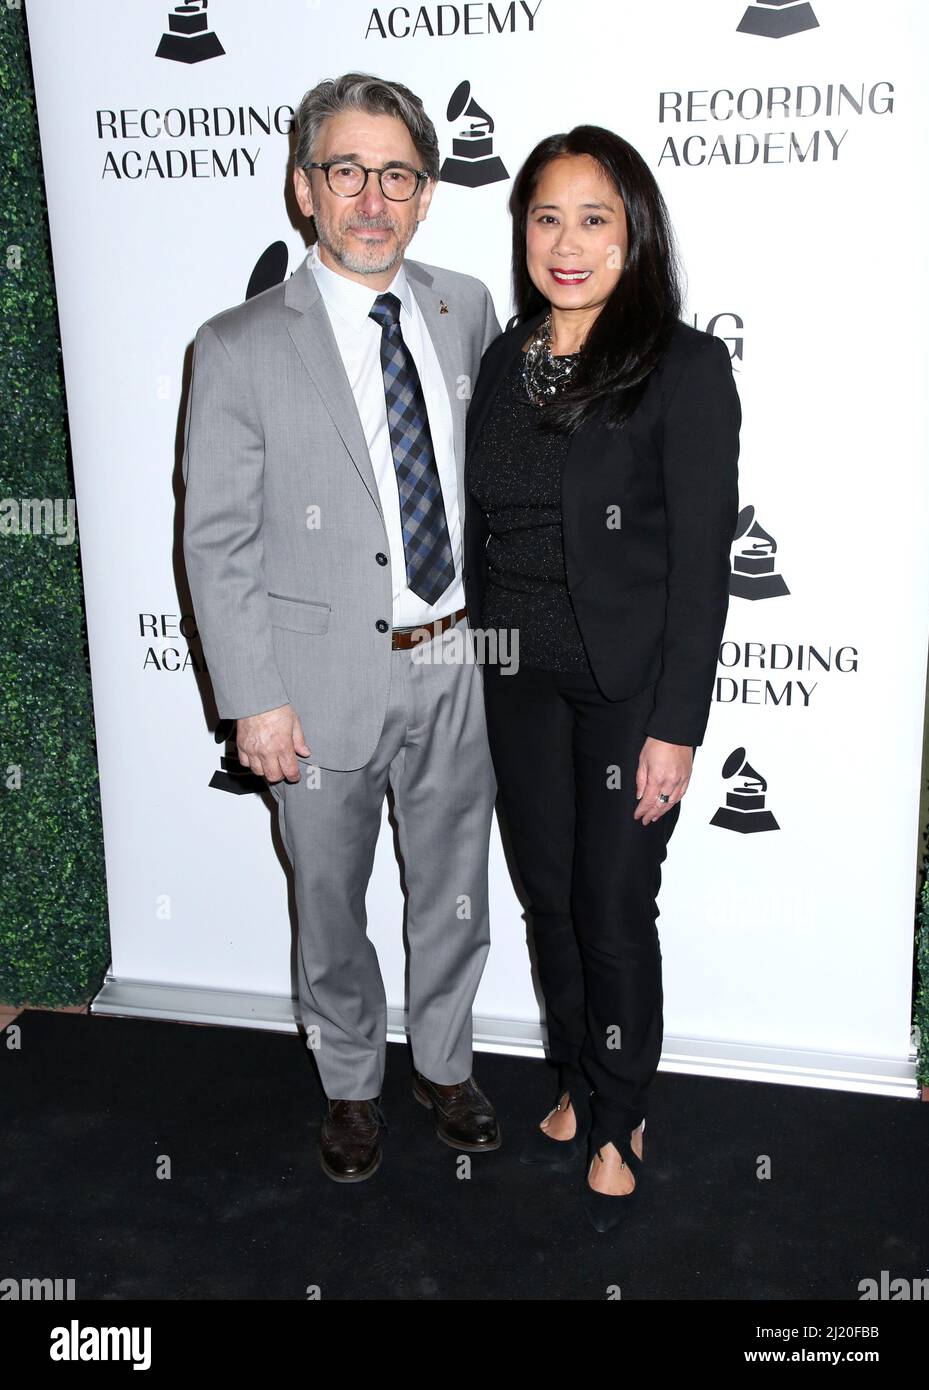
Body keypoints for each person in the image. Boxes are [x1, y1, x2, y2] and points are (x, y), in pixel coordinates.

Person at [183, 72, 503, 1184]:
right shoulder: (234, 346)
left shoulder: (467, 308)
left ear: (426, 193)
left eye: (398, 175)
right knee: (329, 904)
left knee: (454, 883)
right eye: (347, 171)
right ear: (303, 188)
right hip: (311, 691)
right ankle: (351, 1082)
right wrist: (252, 701)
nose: (373, 197)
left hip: (459, 664)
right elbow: (216, 542)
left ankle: (449, 1061)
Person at [463, 125, 741, 1232]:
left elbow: (699, 570)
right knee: (549, 901)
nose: (566, 242)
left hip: (627, 689)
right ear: (520, 229)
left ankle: (624, 1113)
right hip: (517, 677)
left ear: (633, 233)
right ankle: (577, 1076)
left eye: (592, 219)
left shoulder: (681, 365)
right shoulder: (503, 356)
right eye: (545, 217)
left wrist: (675, 727)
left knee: (614, 906)